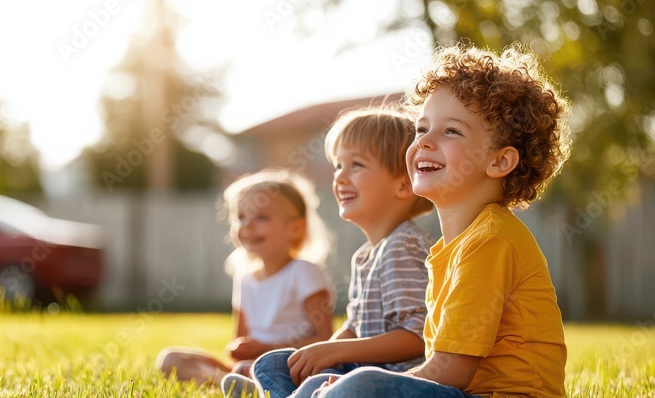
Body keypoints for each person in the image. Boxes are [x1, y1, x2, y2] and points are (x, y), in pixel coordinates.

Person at [309, 43, 572, 397]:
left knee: (359, 385)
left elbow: (451, 370)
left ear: (498, 162)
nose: (425, 142)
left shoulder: (490, 241)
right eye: (420, 129)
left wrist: (374, 385)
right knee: (314, 379)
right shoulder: (449, 248)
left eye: (451, 131)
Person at [227, 107, 435, 398]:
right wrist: (322, 352)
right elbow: (353, 327)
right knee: (273, 363)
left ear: (403, 184)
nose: (340, 177)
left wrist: (336, 350)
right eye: (339, 165)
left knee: (345, 383)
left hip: (393, 380)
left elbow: (417, 338)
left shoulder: (403, 246)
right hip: (359, 369)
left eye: (357, 165)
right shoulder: (366, 255)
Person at [156, 169, 335, 388]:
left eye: (262, 217)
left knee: (253, 368)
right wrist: (239, 350)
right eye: (241, 217)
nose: (247, 225)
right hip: (249, 365)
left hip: (289, 365)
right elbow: (238, 340)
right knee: (170, 359)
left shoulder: (304, 272)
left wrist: (266, 349)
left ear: (295, 227)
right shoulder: (245, 278)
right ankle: (236, 384)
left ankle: (242, 384)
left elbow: (326, 341)